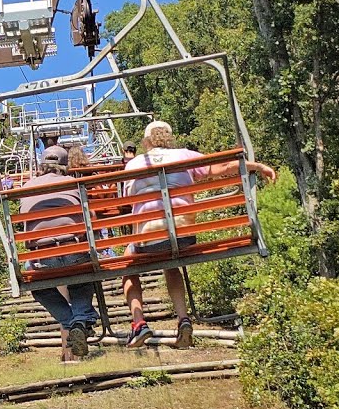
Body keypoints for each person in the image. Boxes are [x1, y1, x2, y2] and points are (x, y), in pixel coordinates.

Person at [121, 121, 276, 349]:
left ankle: (139, 323)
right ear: (169, 138)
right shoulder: (185, 155)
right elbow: (219, 168)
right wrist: (256, 166)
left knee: (127, 263)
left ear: (146, 142)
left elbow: (128, 201)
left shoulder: (134, 164)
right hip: (184, 233)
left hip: (150, 237)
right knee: (170, 263)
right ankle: (183, 318)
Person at [17, 146, 100, 362]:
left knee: (40, 288)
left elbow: (24, 226)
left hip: (44, 258)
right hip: (74, 251)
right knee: (81, 280)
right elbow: (90, 218)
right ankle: (79, 321)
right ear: (65, 165)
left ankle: (71, 321)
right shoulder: (74, 185)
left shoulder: (26, 187)